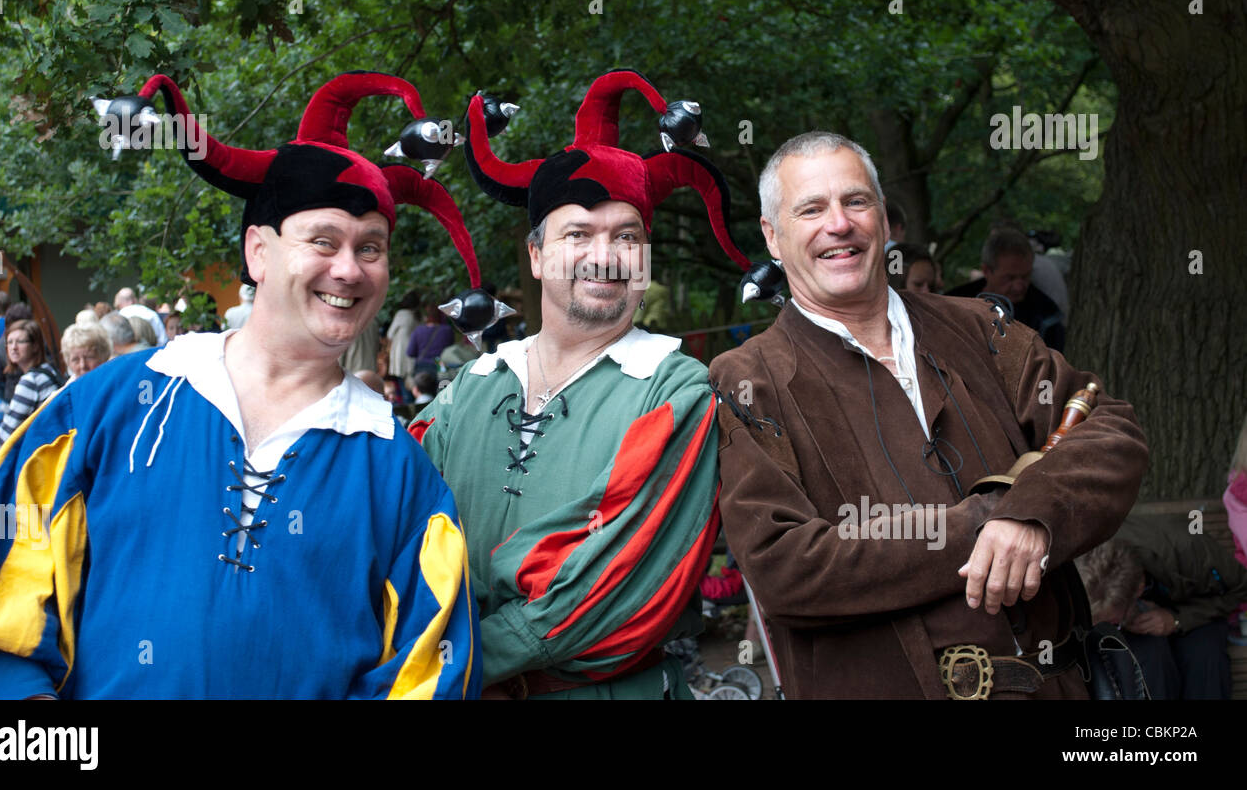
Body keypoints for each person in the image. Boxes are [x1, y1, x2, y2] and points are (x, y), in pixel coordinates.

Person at [0, 69, 485, 699]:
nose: (348, 269)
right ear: (259, 251)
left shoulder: (398, 470)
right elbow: (1, 574)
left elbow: (430, 671)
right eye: (323, 240)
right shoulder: (114, 403)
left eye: (372, 248)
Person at [709, 130, 1147, 699]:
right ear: (773, 235)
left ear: (886, 221)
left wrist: (1035, 514)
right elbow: (784, 565)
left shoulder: (980, 328)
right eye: (811, 209)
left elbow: (1109, 429)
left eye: (856, 201)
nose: (838, 224)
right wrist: (983, 527)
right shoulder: (746, 379)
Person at [415, 70, 760, 699]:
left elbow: (603, 589)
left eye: (627, 236)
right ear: (538, 255)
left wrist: (434, 665)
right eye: (578, 234)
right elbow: (403, 532)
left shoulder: (675, 390)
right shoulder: (471, 386)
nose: (605, 254)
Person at [1077, 514, 1247, 698]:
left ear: (1139, 590)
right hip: (1137, 616)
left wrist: (1177, 619)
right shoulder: (1082, 560)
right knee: (1147, 656)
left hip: (1196, 608)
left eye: (1115, 621)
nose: (1114, 625)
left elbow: (1241, 588)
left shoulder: (1189, 549)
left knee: (1206, 655)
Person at [947, 227, 1067, 351]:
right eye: (1009, 278)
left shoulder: (1046, 319)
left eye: (1025, 277)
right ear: (987, 271)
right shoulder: (952, 306)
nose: (1019, 286)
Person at [0, 320, 65, 475]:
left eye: (20, 342)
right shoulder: (49, 369)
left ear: (35, 346)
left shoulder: (30, 381)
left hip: (44, 460)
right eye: (9, 342)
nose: (13, 347)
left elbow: (10, 429)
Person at [406, 302, 453, 374]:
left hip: (422, 366)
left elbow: (410, 352)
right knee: (442, 384)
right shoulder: (447, 330)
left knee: (423, 384)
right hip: (440, 364)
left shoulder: (418, 330)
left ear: (426, 316)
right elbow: (450, 350)